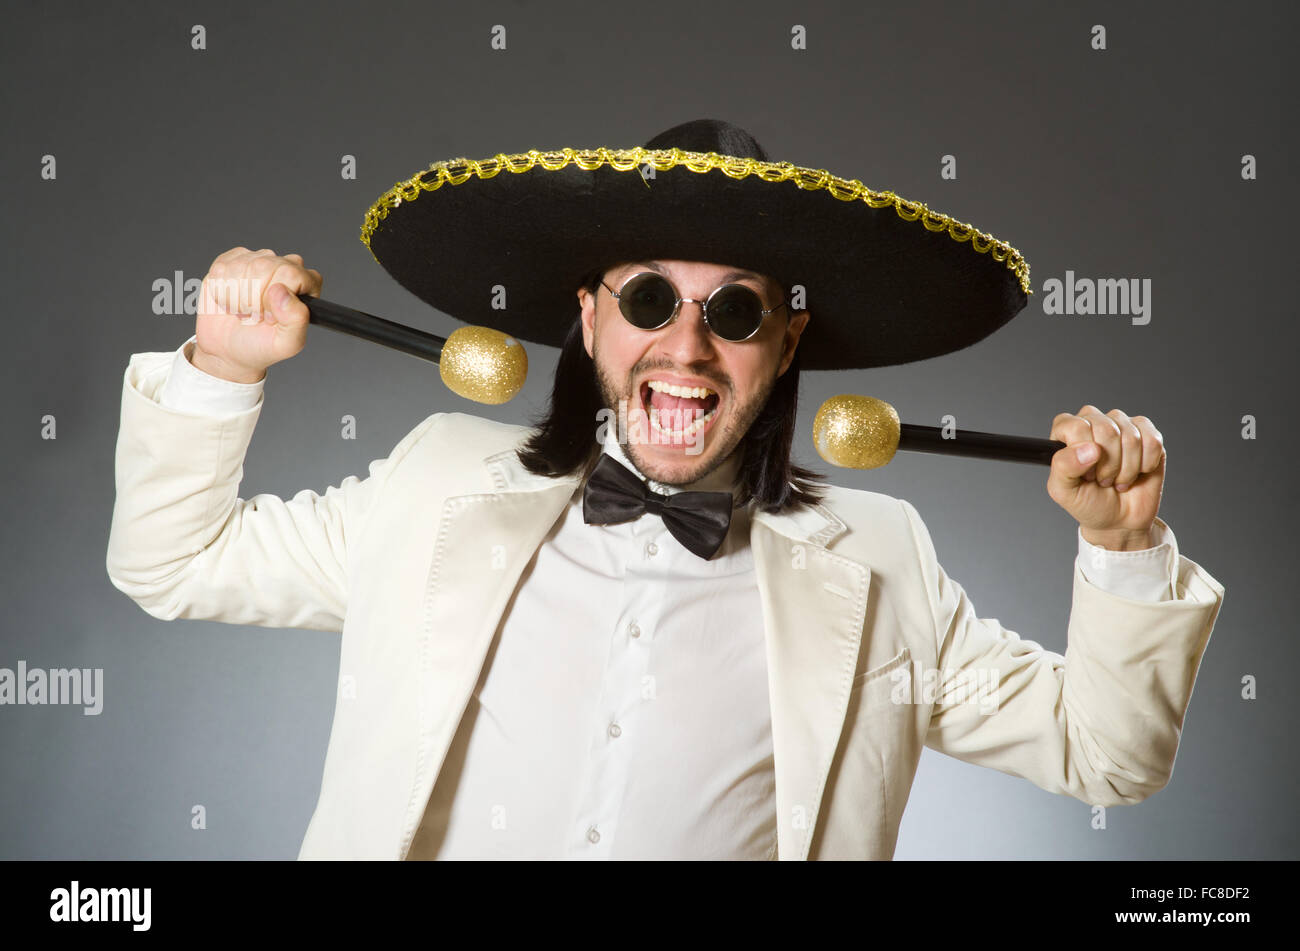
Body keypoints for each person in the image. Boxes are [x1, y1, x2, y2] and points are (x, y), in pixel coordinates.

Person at [106, 119, 1225, 860]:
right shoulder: (434, 482)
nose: (685, 350)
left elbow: (1107, 756)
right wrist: (222, 366)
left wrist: (1125, 547)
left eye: (733, 313)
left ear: (786, 345)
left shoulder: (877, 559)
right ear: (588, 316)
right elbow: (173, 561)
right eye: (649, 301)